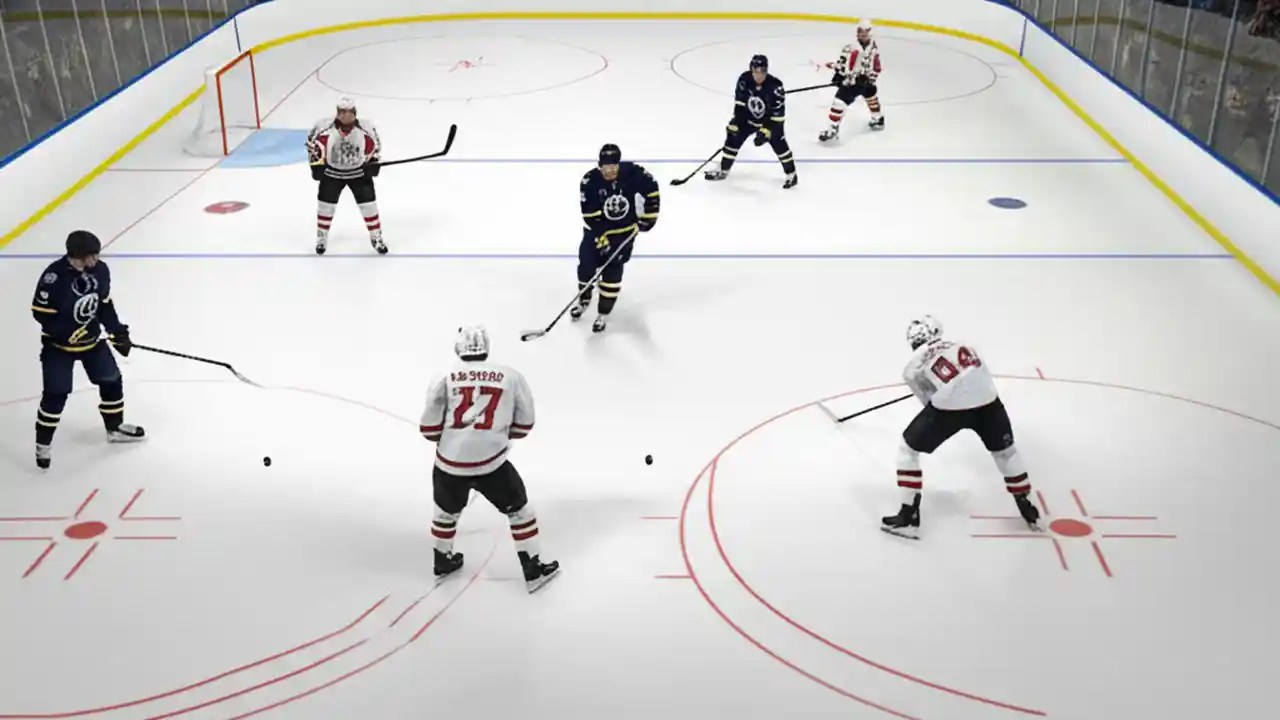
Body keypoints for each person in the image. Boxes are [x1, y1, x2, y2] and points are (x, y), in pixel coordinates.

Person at [420, 326, 560, 593]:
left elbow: (428, 429)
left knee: (445, 513)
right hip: (493, 464)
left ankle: (442, 561)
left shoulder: (443, 376)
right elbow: (524, 424)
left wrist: (455, 442)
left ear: (458, 347)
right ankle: (533, 568)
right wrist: (495, 439)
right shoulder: (511, 376)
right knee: (519, 511)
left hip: (449, 464)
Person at [881, 315, 1041, 539]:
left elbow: (928, 401)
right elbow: (981, 373)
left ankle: (909, 517)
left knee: (908, 449)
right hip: (989, 404)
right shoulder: (965, 345)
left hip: (950, 409)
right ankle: (1028, 506)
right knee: (1006, 452)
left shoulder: (912, 367)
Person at [30, 230, 145, 469]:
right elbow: (41, 314)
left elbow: (103, 304)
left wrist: (117, 331)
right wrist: (66, 332)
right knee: (56, 393)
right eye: (88, 257)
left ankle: (114, 428)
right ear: (75, 256)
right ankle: (43, 444)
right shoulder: (54, 277)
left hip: (91, 341)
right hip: (58, 346)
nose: (94, 261)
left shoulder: (100, 271)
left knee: (112, 380)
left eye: (95, 256)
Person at [575, 143, 660, 332]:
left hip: (624, 234)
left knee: (612, 275)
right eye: (606, 166)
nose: (611, 170)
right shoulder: (589, 181)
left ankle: (603, 313)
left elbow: (652, 189)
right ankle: (584, 297)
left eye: (614, 166)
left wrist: (649, 218)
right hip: (596, 233)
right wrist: (603, 238)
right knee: (586, 265)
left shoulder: (634, 174)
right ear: (600, 165)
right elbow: (590, 215)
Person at [705, 54, 798, 188]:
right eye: (755, 71)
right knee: (733, 138)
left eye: (762, 72)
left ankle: (791, 174)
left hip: (770, 121)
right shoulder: (744, 80)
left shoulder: (775, 86)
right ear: (751, 70)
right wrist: (736, 122)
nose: (758, 75)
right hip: (749, 119)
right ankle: (724, 169)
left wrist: (764, 131)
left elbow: (777, 116)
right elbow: (740, 104)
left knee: (779, 143)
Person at [306, 96, 385, 255]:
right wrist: (315, 164)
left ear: (354, 113)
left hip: (358, 173)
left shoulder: (366, 127)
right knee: (325, 207)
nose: (344, 115)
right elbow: (311, 145)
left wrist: (374, 162)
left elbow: (375, 146)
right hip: (332, 173)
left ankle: (376, 237)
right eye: (341, 112)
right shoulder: (323, 126)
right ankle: (321, 237)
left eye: (348, 112)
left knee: (369, 206)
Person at [819, 20, 885, 142]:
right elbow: (843, 64)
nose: (863, 34)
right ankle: (877, 118)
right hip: (852, 81)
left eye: (866, 31)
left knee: (840, 102)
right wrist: (838, 75)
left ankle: (833, 129)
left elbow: (876, 67)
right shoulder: (850, 48)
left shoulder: (873, 49)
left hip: (860, 83)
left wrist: (869, 78)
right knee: (869, 95)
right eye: (860, 31)